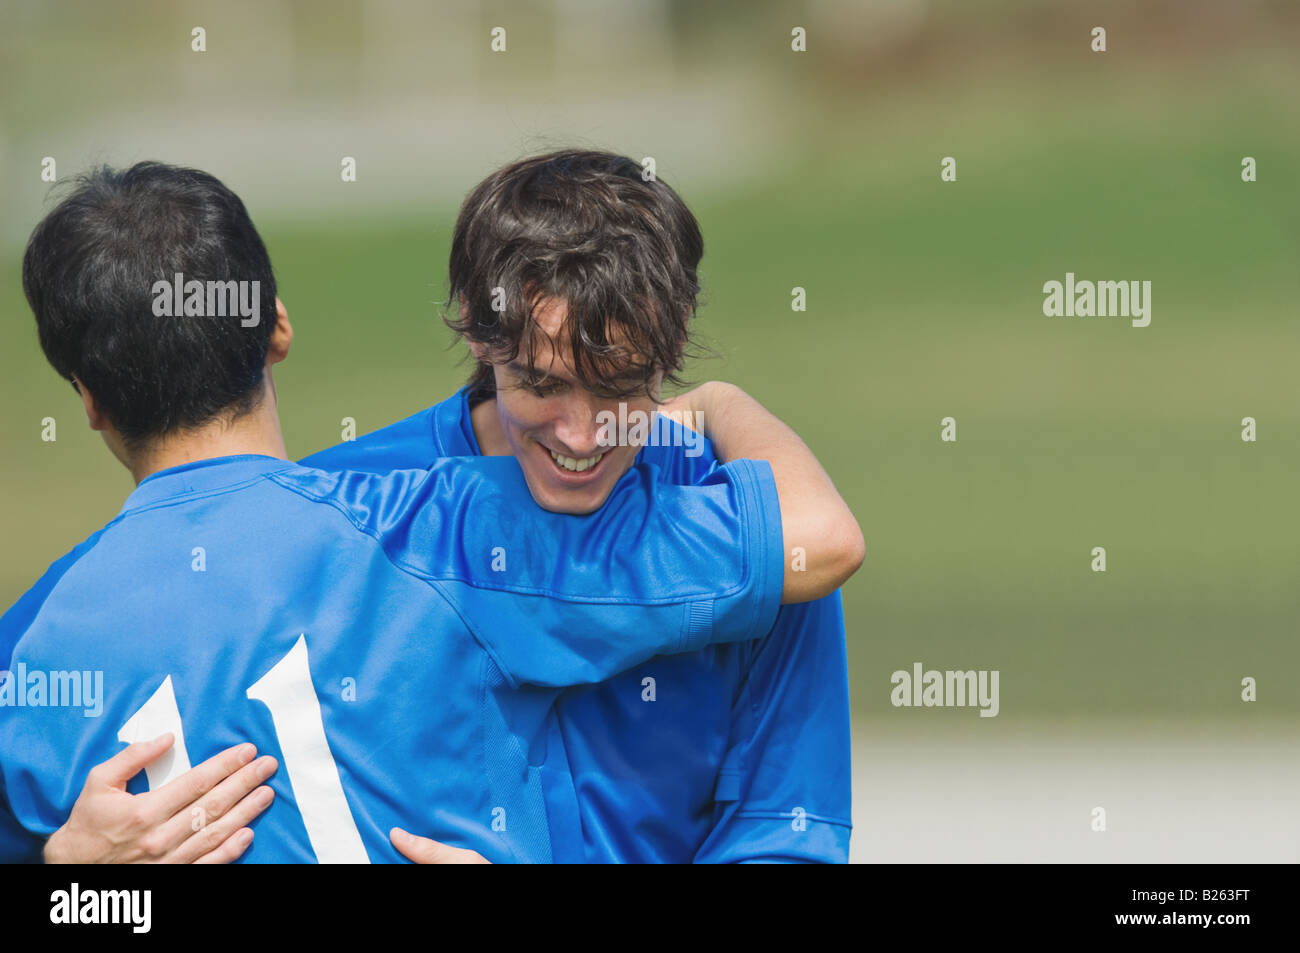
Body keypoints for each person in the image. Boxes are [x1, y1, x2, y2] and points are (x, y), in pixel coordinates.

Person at [1, 162, 863, 863]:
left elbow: (784, 840)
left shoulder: (734, 510)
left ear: (88, 401)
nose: (582, 432)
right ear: (477, 339)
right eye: (542, 383)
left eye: (621, 384)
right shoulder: (406, 520)